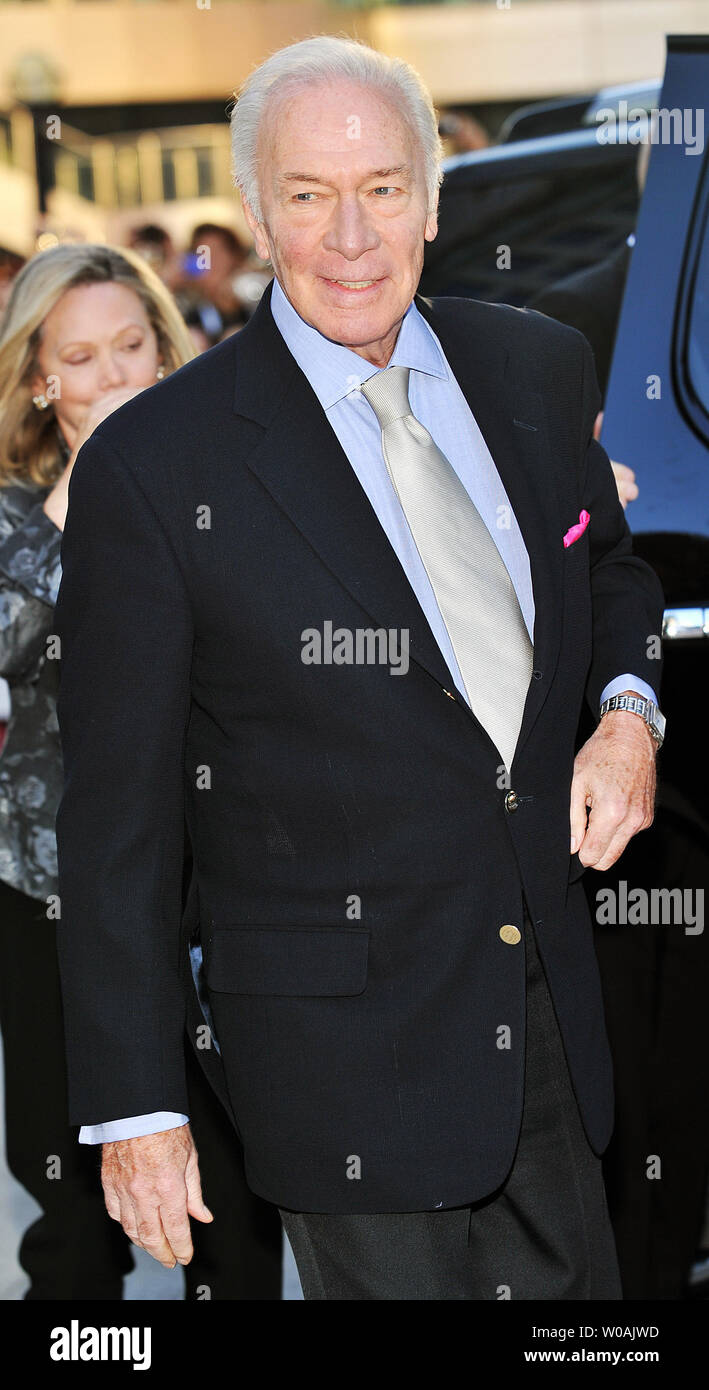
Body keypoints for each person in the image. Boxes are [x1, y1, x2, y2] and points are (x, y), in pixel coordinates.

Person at [54, 36, 666, 1301]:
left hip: (552, 1017)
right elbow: (116, 818)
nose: (350, 235)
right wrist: (133, 1109)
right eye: (307, 195)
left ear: (434, 203)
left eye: (382, 188)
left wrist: (625, 712)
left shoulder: (535, 370)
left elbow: (611, 577)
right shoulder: (157, 466)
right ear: (256, 213)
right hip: (341, 1066)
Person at [0, 242, 281, 1299]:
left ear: (167, 351)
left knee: (233, 1195)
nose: (113, 375)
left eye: (131, 346)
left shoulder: (228, 480)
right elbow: (8, 638)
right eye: (80, 357)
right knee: (68, 1205)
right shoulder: (19, 512)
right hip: (53, 897)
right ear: (39, 378)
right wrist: (91, 480)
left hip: (217, 887)